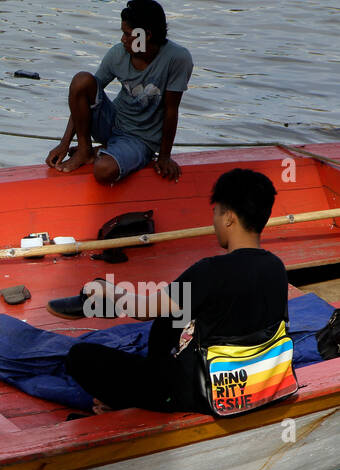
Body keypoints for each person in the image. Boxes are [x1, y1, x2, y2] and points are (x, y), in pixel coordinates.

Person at [65, 168, 288, 414]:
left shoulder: (209, 270)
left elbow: (144, 310)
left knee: (80, 356)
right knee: (172, 315)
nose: (214, 222)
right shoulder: (276, 267)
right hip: (256, 379)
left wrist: (107, 289)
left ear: (229, 218)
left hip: (201, 392)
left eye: (215, 213)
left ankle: (131, 401)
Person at [46, 0, 193, 184]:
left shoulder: (177, 59)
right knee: (81, 80)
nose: (123, 39)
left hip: (140, 139)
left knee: (103, 171)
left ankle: (105, 152)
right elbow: (82, 95)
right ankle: (85, 150)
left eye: (127, 34)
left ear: (145, 35)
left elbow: (171, 110)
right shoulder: (117, 54)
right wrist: (64, 143)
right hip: (113, 122)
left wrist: (164, 156)